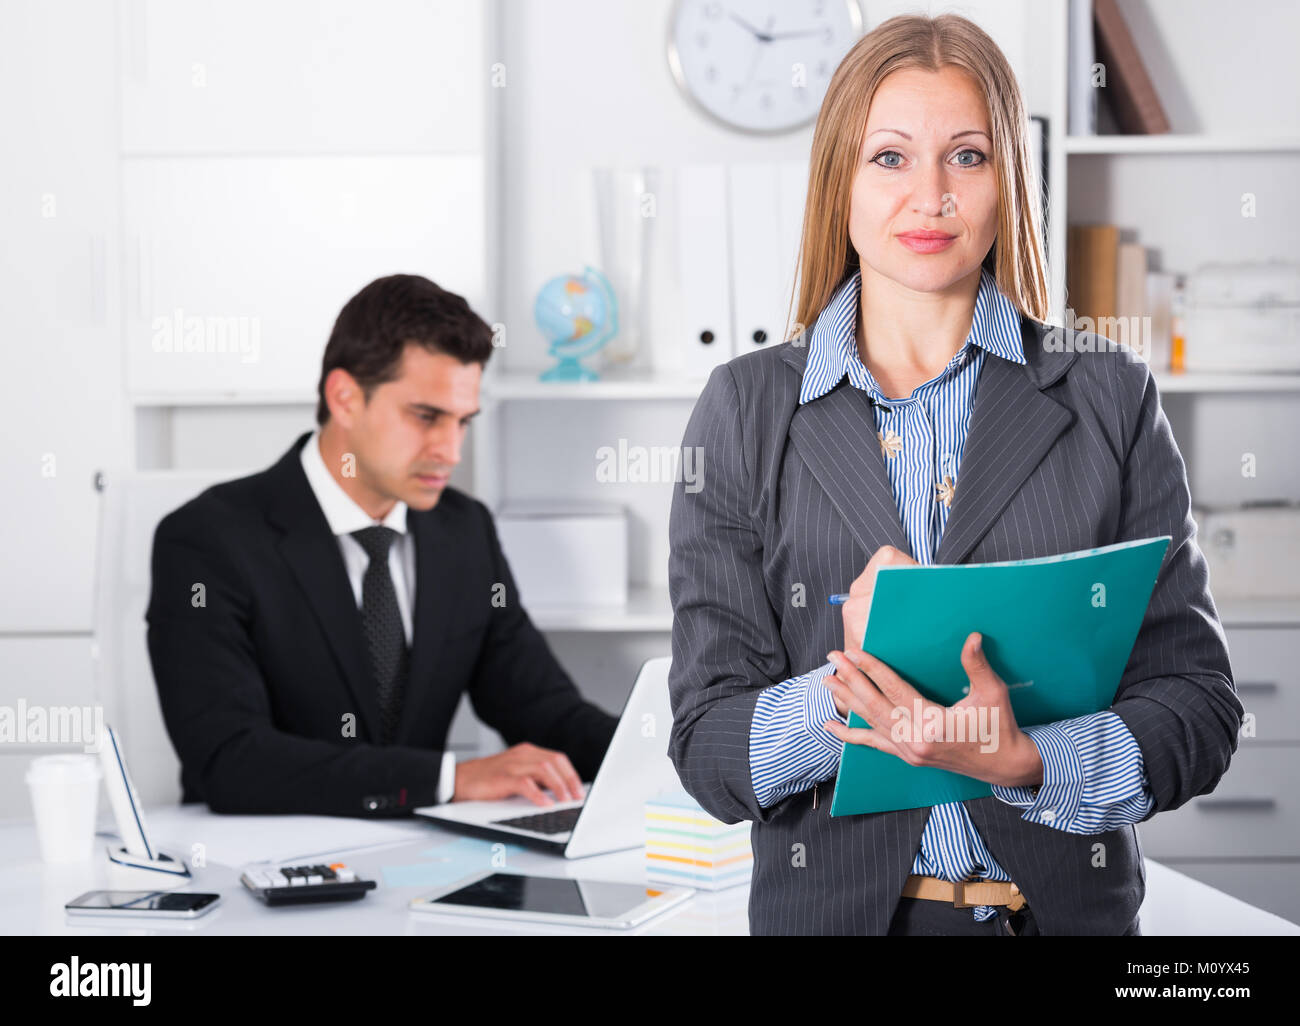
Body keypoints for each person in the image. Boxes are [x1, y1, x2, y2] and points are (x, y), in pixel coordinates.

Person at [667, 13, 1242, 935]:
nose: (929, 196)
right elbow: (707, 750)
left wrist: (1026, 761)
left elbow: (1199, 713)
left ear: (1008, 179)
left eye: (966, 157)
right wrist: (852, 686)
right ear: (839, 183)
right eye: (889, 157)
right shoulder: (743, 410)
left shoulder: (1109, 397)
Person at [147, 274, 618, 817]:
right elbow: (230, 761)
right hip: (265, 870)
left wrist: (663, 758)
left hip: (417, 873)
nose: (451, 450)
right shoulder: (208, 541)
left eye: (463, 422)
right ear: (345, 398)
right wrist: (449, 779)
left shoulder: (464, 532)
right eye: (426, 417)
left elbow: (543, 708)